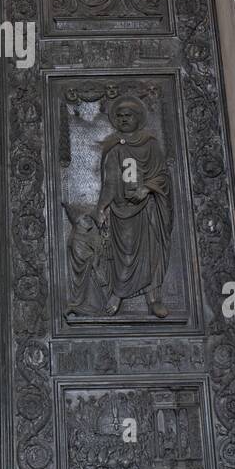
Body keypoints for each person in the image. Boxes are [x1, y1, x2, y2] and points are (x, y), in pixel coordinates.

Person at [95, 96, 172, 318]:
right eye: (119, 116)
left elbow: (163, 175)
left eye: (127, 115)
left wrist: (148, 188)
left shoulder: (150, 144)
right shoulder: (114, 147)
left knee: (150, 252)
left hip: (147, 209)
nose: (123, 119)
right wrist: (101, 208)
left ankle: (153, 299)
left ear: (137, 118)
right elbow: (109, 182)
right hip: (122, 210)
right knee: (125, 253)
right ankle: (117, 294)